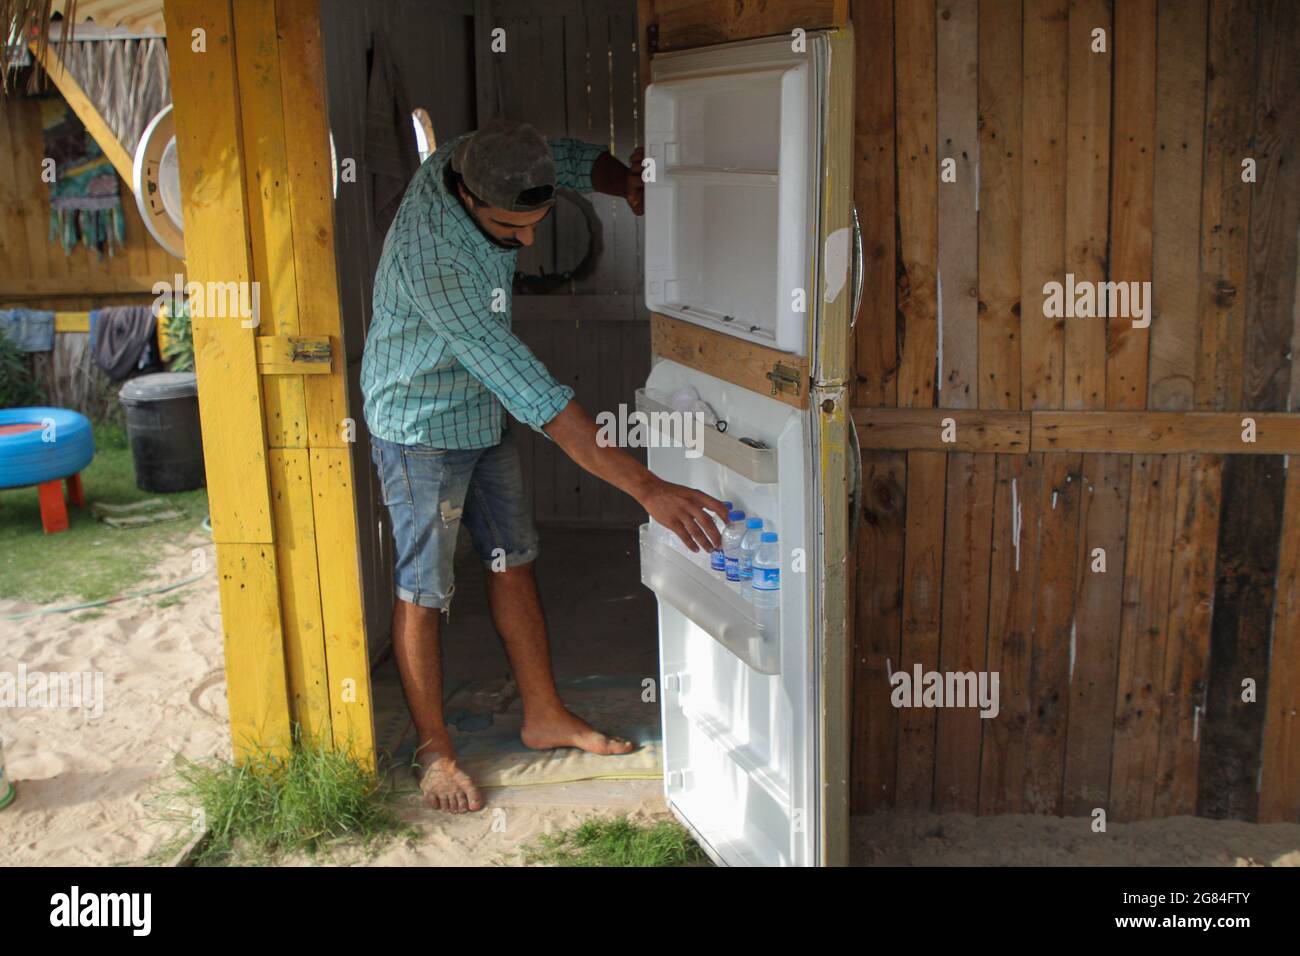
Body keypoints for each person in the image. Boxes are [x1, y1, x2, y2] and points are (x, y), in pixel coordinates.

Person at [360, 120, 726, 813]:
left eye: (536, 222)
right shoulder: (435, 262)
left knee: (513, 559)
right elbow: (541, 399)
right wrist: (647, 489)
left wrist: (623, 182)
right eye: (510, 228)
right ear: (467, 199)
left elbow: (567, 155)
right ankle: (435, 752)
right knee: (424, 590)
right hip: (418, 425)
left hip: (479, 406)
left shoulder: (485, 155)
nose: (528, 241)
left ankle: (544, 714)